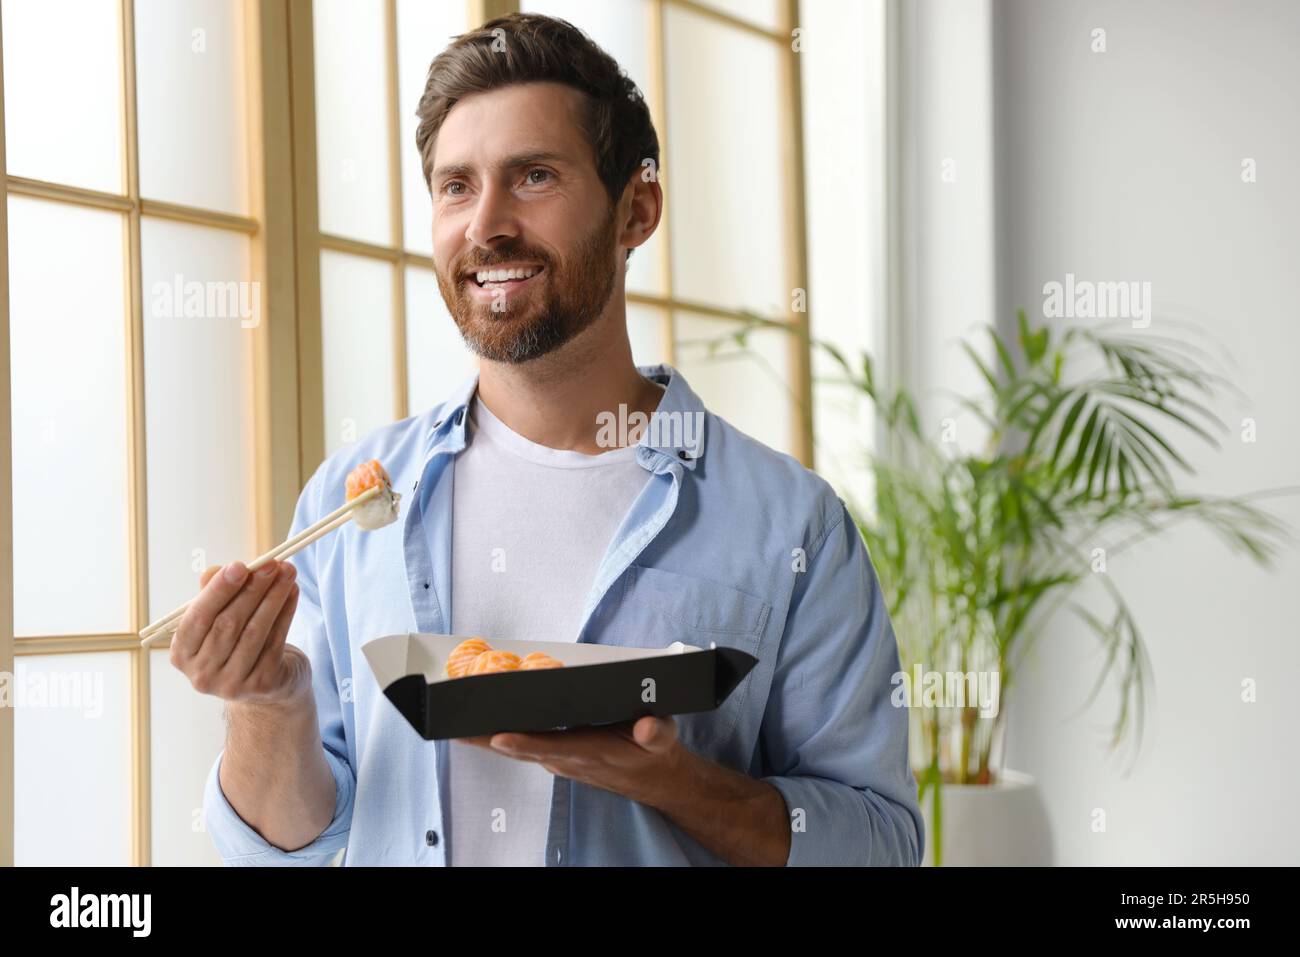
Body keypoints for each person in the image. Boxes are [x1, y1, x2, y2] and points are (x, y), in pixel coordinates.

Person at [176, 12, 923, 866]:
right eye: (456, 186)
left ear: (635, 209)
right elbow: (296, 839)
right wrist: (267, 703)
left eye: (533, 176)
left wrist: (674, 781)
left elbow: (882, 842)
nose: (486, 224)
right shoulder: (352, 504)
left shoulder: (792, 525)